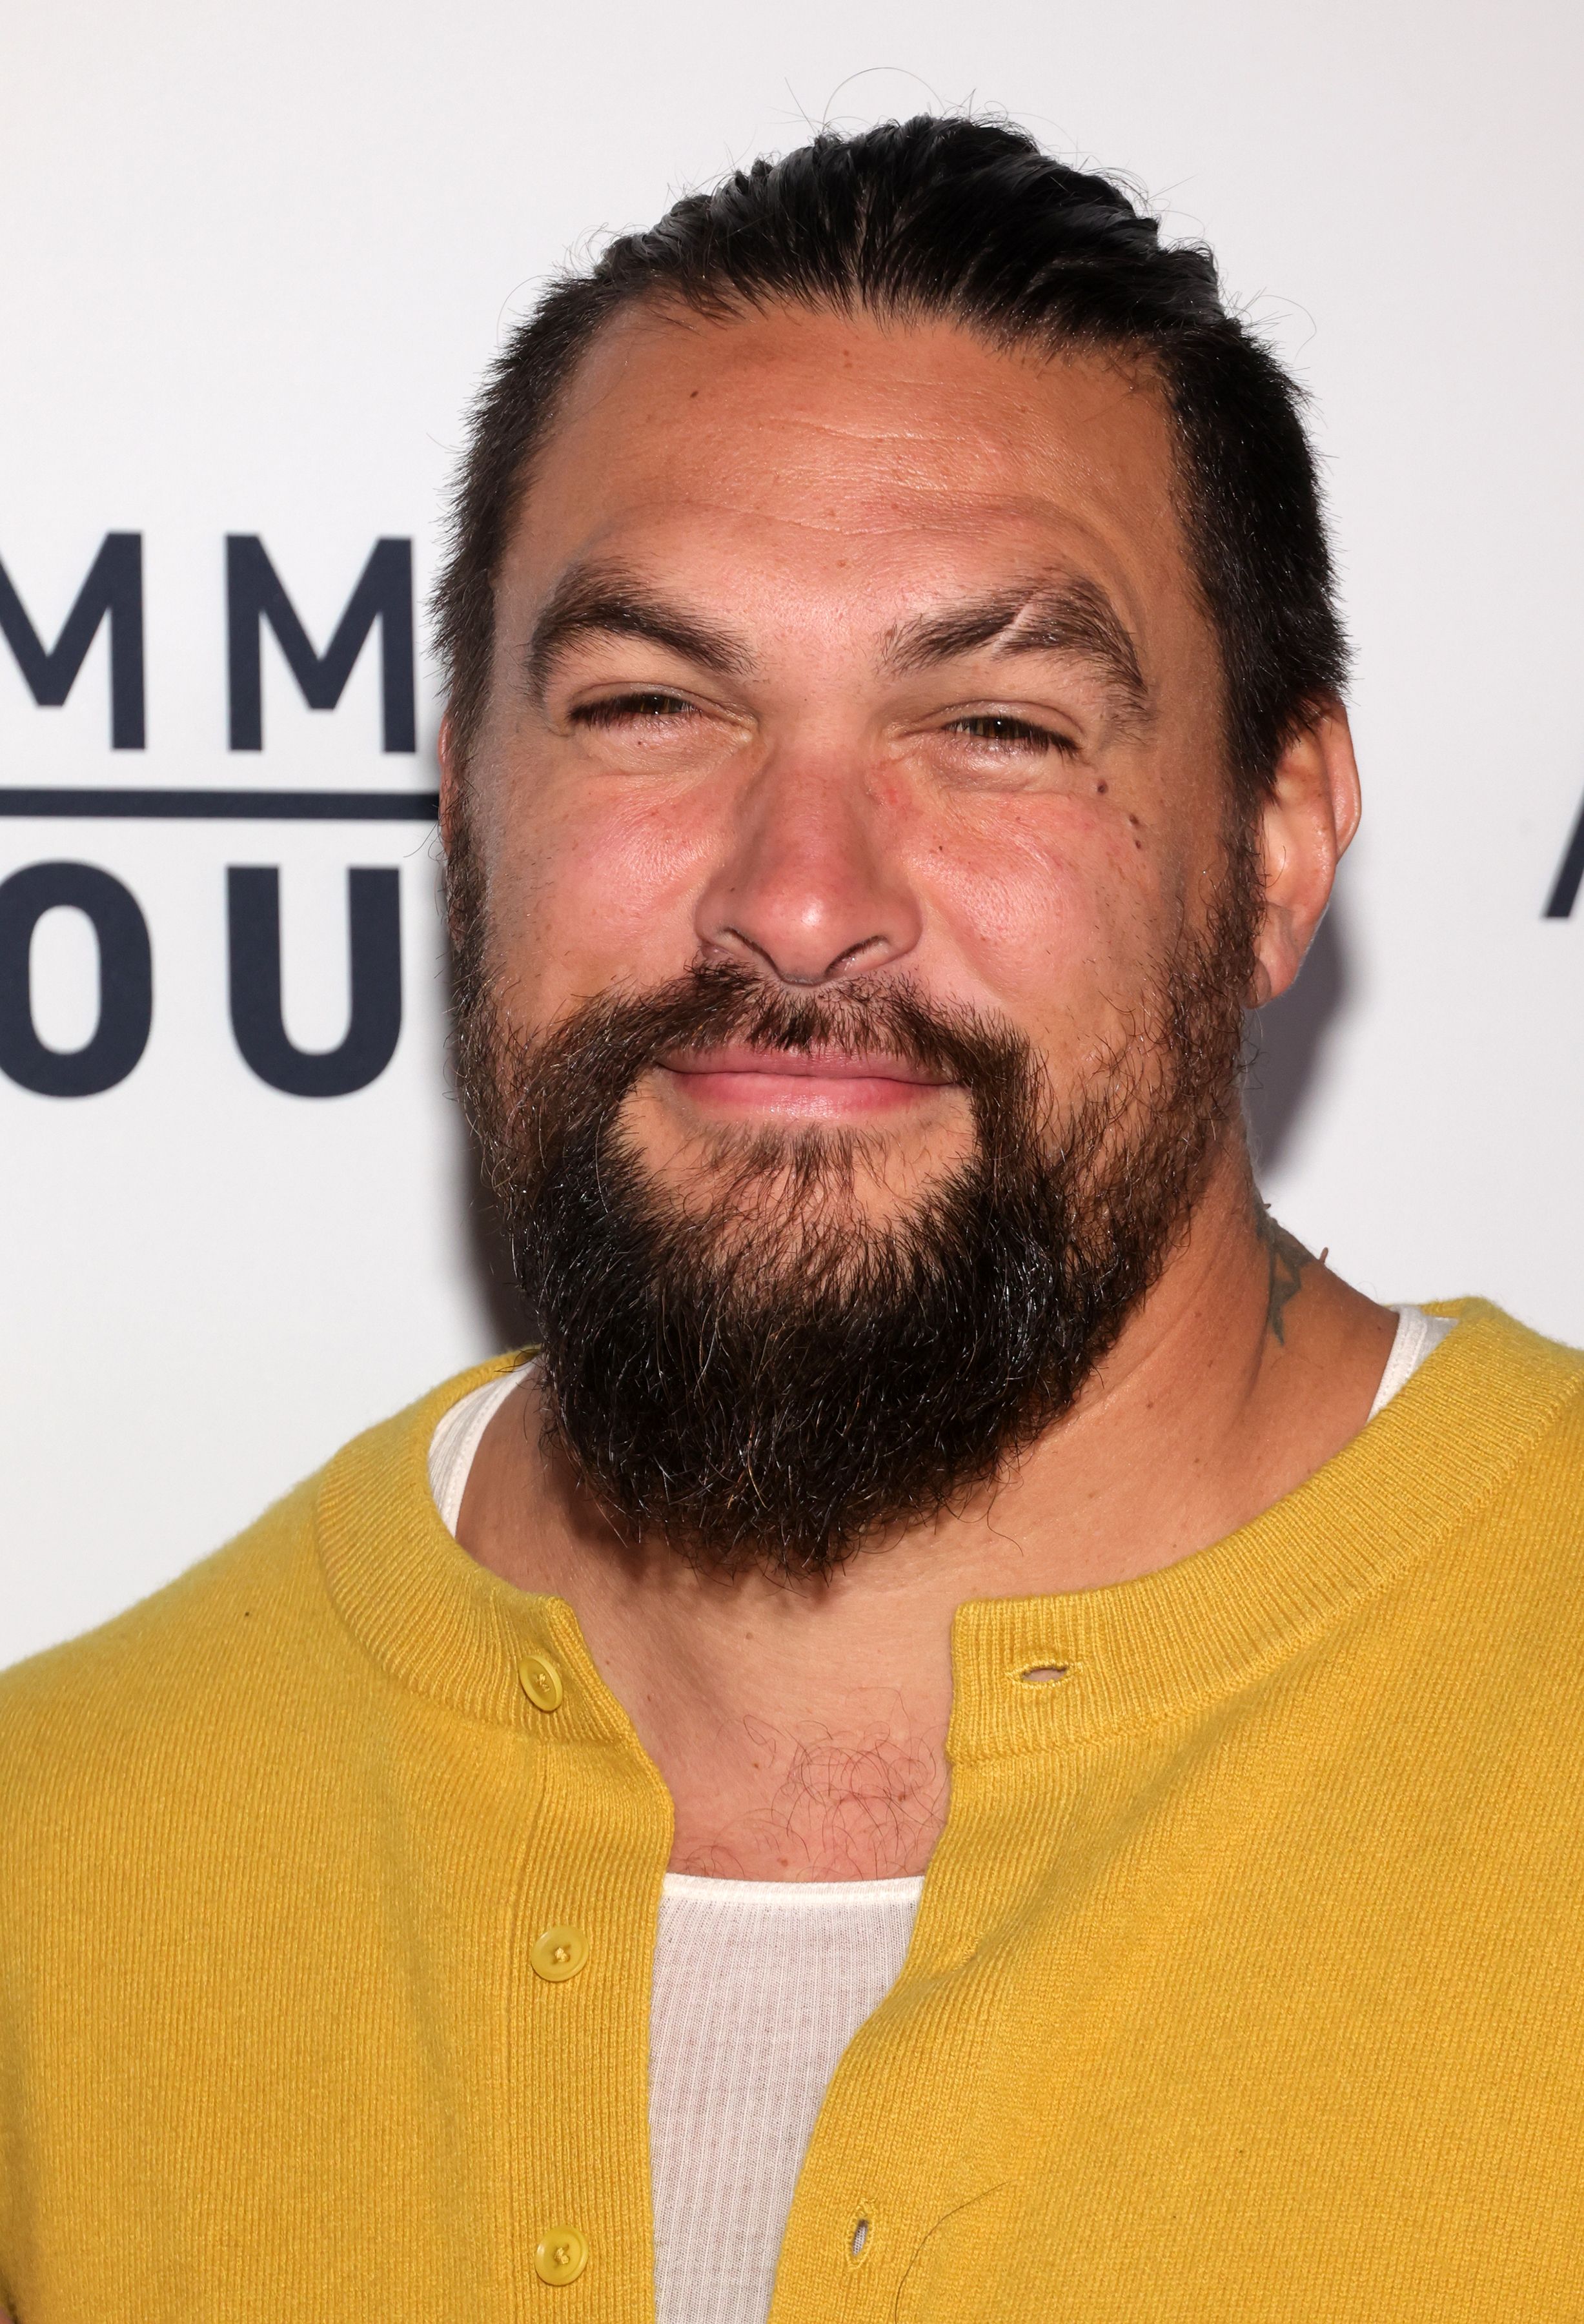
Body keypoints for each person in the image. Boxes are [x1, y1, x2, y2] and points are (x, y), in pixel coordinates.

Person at [3, 114, 1581, 2324]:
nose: (802, 895)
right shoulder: (54, 1882)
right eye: (654, 707)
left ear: (1283, 838)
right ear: (467, 808)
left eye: (1002, 726)